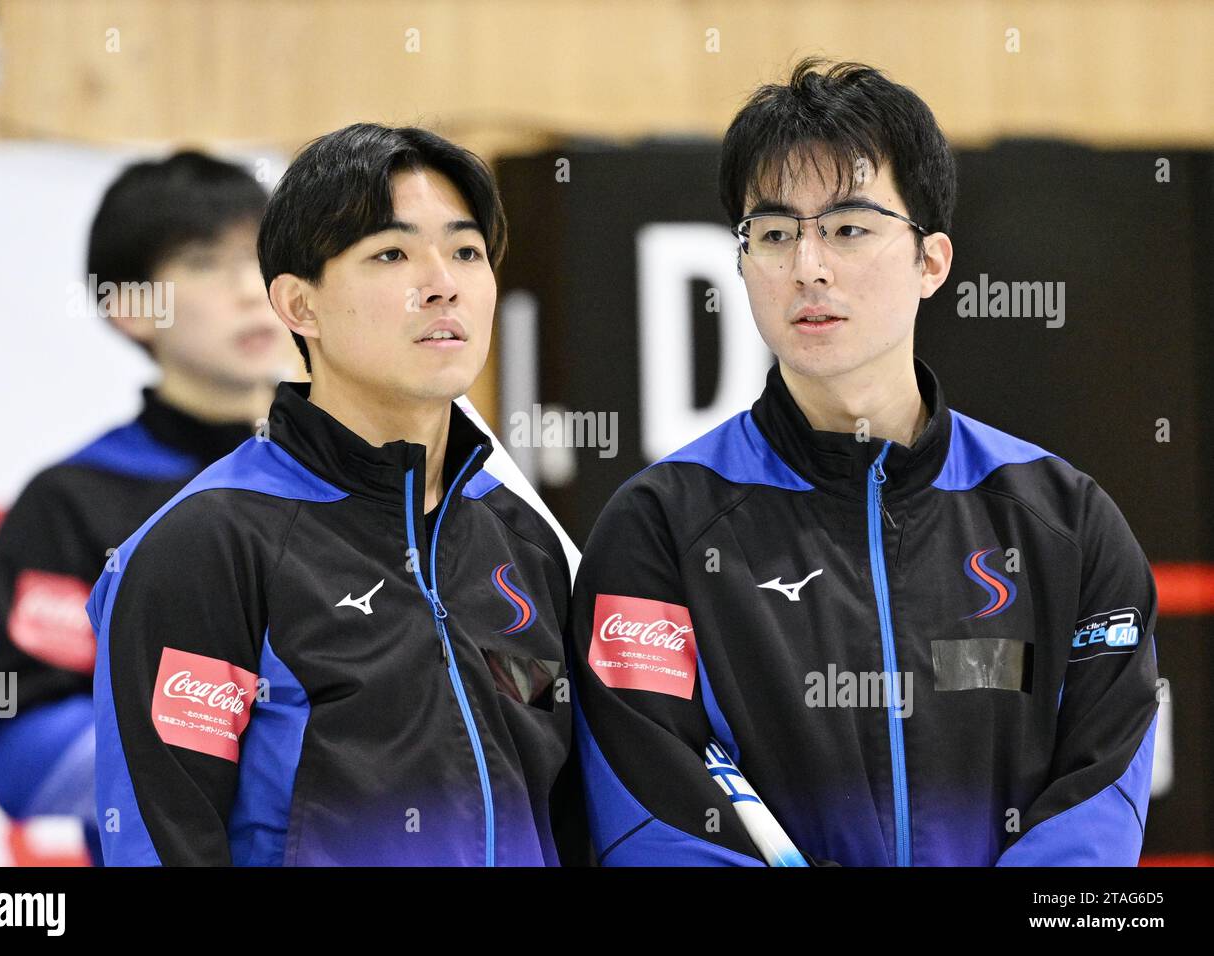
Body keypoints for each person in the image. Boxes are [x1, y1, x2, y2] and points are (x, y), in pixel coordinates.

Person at [568, 57, 1158, 866]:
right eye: (774, 233)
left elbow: (1102, 804)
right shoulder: (659, 530)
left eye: (848, 227)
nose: (807, 266)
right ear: (741, 263)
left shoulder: (1067, 522)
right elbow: (652, 824)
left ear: (932, 261)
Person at [88, 123, 583, 866]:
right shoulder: (205, 546)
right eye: (391, 253)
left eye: (465, 251)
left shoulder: (526, 540)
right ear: (298, 305)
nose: (442, 281)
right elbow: (162, 843)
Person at [0, 150, 294, 864]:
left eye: (262, 257)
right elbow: (21, 756)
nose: (252, 290)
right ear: (128, 308)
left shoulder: (367, 468)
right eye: (208, 263)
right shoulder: (74, 502)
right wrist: (262, 754)